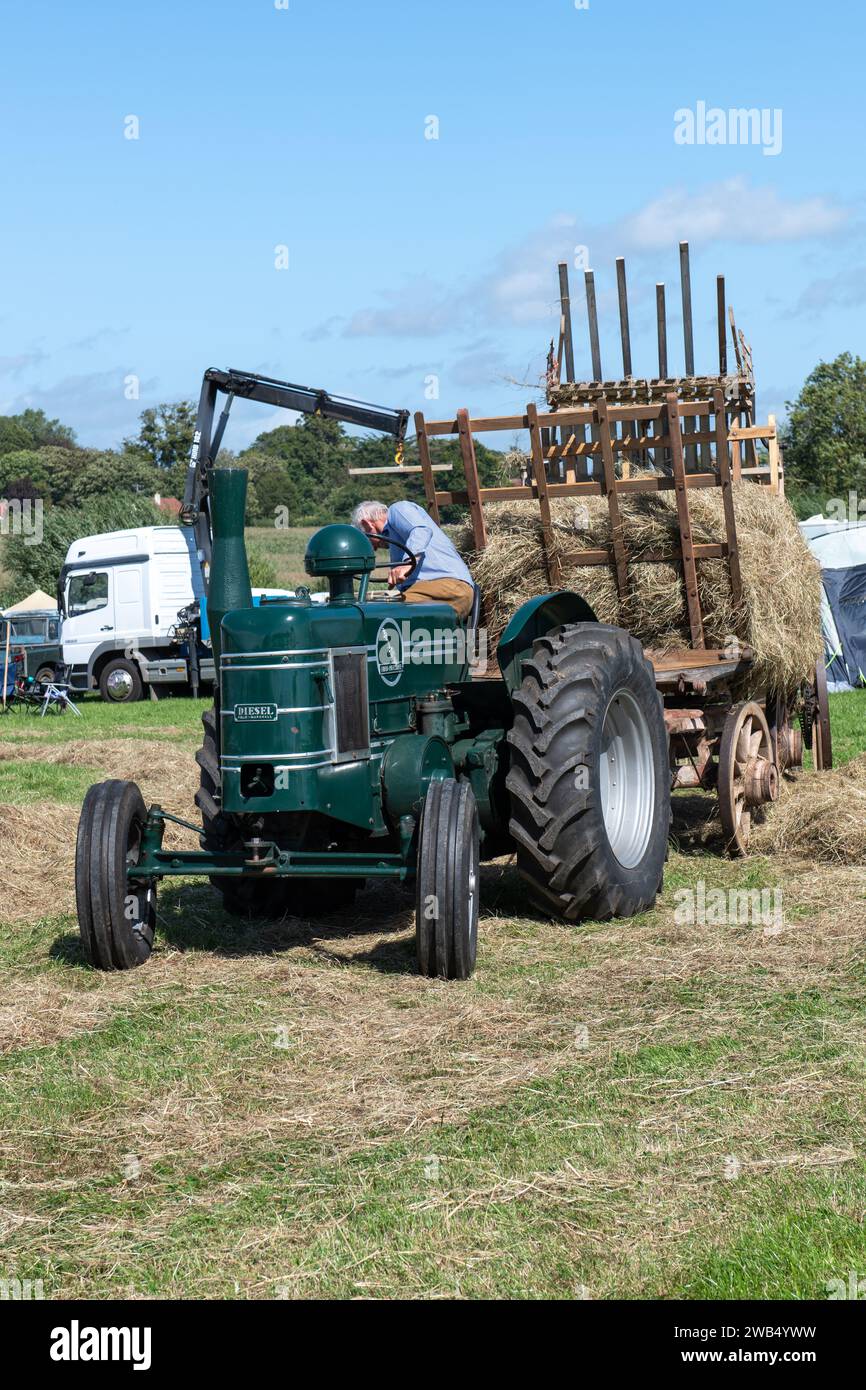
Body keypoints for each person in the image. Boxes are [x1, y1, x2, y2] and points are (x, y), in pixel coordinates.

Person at [351, 499, 476, 619]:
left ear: (366, 524)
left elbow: (421, 531)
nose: (374, 548)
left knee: (381, 615)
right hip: (434, 591)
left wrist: (407, 564)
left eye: (366, 539)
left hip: (448, 587)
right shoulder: (397, 542)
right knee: (381, 609)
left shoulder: (398, 509)